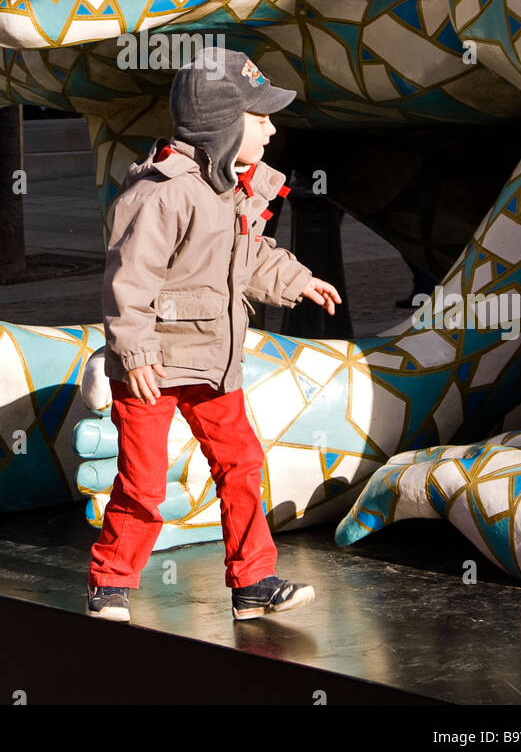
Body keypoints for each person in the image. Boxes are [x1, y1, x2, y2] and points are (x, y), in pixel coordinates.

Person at [85, 46, 342, 623]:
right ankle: (111, 580)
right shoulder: (164, 191)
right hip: (152, 368)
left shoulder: (232, 189)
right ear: (224, 125)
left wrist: (298, 280)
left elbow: (248, 257)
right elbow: (129, 277)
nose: (271, 130)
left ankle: (253, 582)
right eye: (260, 118)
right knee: (144, 483)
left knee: (241, 466)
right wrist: (134, 353)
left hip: (211, 362)